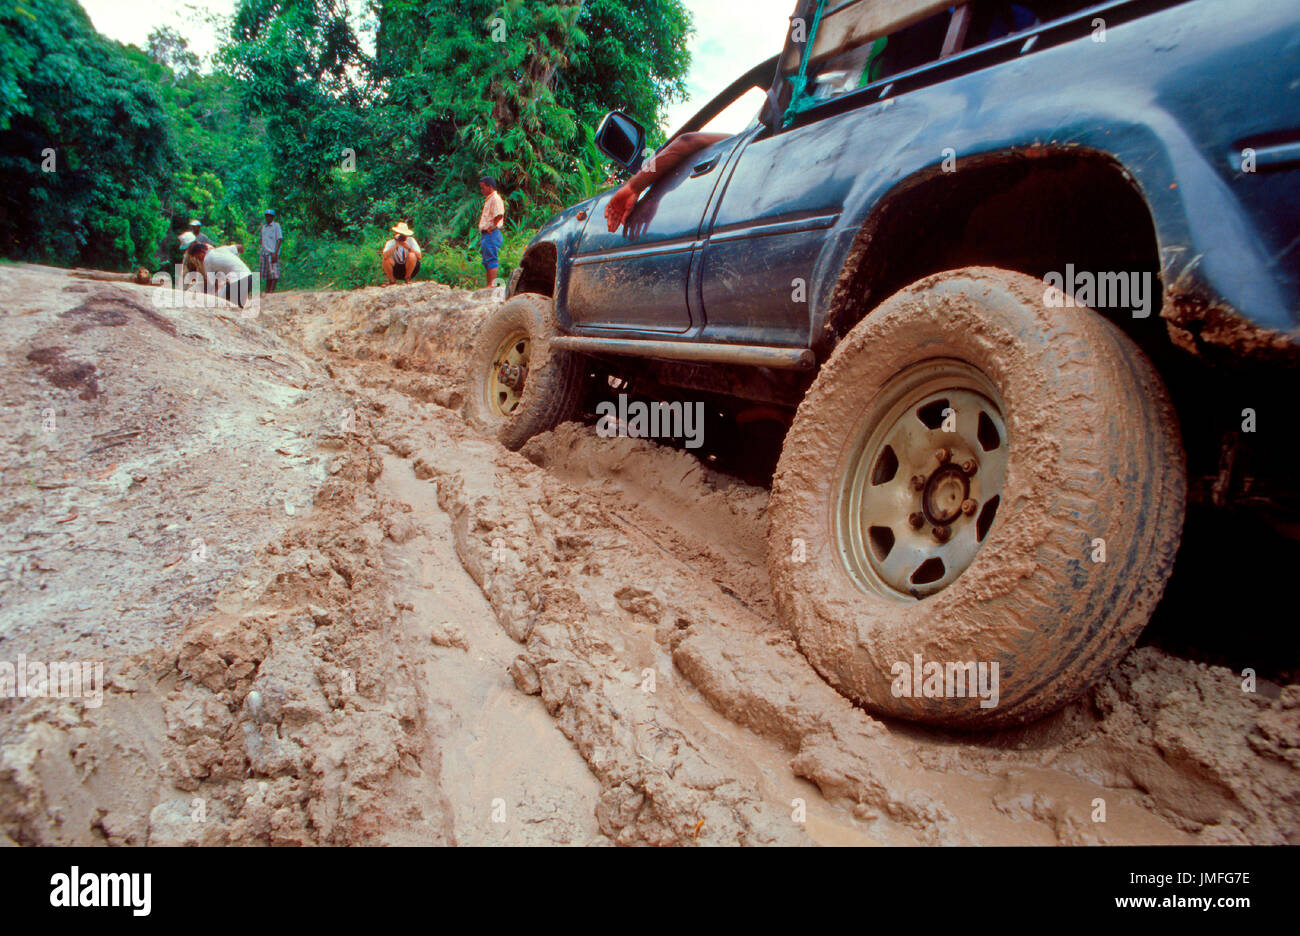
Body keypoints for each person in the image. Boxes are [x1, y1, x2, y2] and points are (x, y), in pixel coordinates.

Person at [604, 133, 732, 233]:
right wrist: (656, 196)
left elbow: (688, 141)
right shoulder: (750, 143)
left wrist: (633, 186)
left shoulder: (748, 141)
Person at [187, 240, 253, 308]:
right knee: (237, 304)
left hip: (238, 280)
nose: (199, 259)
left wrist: (202, 295)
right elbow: (240, 247)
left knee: (226, 303)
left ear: (202, 251)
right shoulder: (223, 249)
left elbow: (211, 285)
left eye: (198, 257)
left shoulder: (207, 260)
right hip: (249, 276)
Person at [478, 176, 505, 288]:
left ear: (489, 186)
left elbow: (499, 215)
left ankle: (492, 285)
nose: (482, 190)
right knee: (487, 260)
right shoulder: (489, 199)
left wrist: (492, 227)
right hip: (486, 234)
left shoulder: (495, 199)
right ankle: (489, 284)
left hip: (491, 233)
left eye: (483, 187)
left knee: (492, 258)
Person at [259, 209, 283, 294]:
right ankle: (267, 290)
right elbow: (261, 239)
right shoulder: (263, 227)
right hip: (265, 252)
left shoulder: (276, 226)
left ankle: (272, 290)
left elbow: (279, 239)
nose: (268, 217)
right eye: (266, 216)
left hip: (272, 252)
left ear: (272, 217)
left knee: (274, 273)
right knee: (267, 274)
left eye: (270, 216)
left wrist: (275, 253)